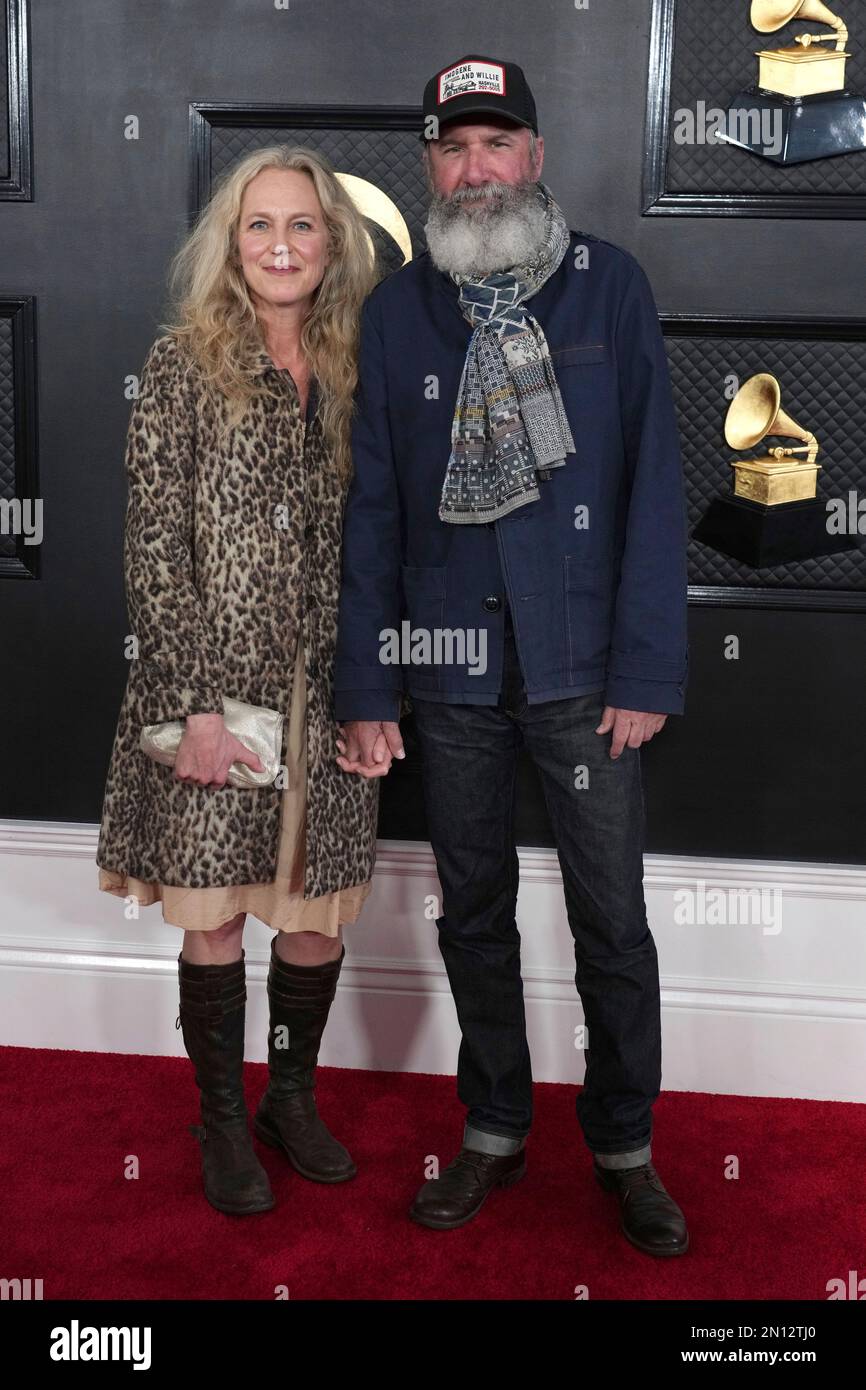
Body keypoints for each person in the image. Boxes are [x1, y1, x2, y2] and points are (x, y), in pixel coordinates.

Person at [334, 54, 690, 1257]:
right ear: (428, 166)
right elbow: (372, 509)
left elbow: (650, 493)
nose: (475, 168)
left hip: (584, 673)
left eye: (496, 145)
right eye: (453, 147)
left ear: (533, 157)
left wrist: (644, 671)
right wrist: (367, 684)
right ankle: (490, 1127)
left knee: (612, 922)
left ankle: (624, 1145)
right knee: (471, 912)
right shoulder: (396, 314)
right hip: (448, 672)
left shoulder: (608, 289)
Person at [96, 144, 379, 1215]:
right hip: (214, 686)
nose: (280, 245)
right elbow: (155, 545)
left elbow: (384, 542)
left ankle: (287, 1098)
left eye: (301, 225)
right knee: (212, 912)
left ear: (330, 241)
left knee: (315, 911)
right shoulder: (182, 364)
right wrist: (192, 708)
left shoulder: (360, 365)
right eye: (259, 225)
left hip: (331, 687)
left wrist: (372, 693)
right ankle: (221, 1121)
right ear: (230, 242)